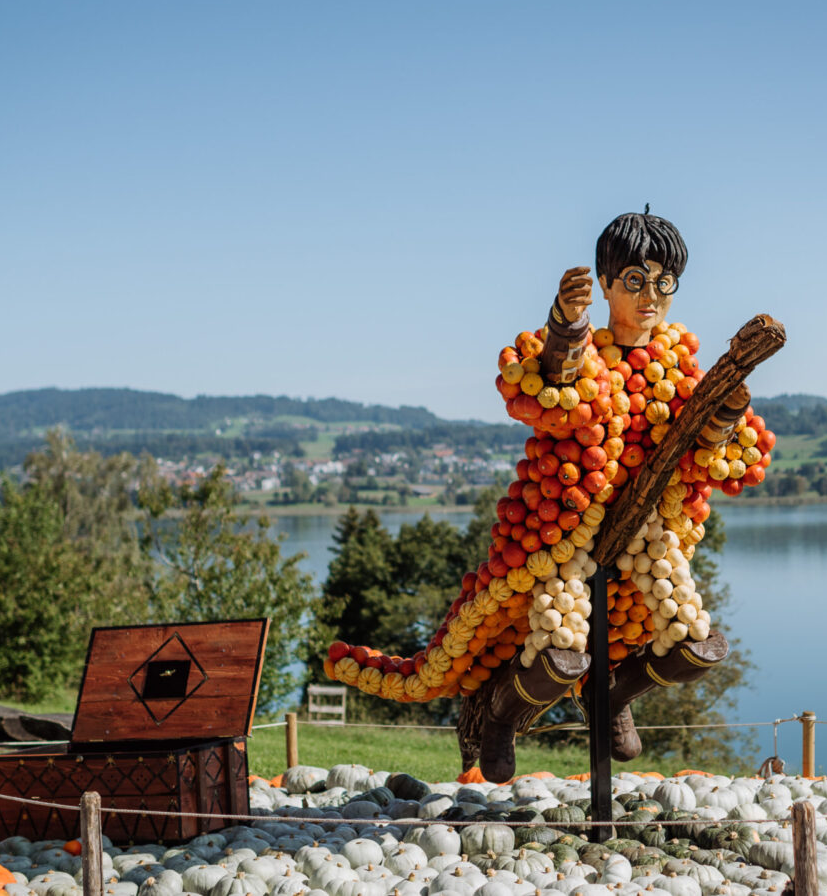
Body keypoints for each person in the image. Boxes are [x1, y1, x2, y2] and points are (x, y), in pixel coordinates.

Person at [323, 209, 774, 781]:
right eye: (635, 280)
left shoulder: (678, 365)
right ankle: (499, 718)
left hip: (647, 533)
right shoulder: (585, 353)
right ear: (607, 283)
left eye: (664, 283)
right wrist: (565, 324)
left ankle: (608, 696)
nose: (651, 296)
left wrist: (723, 418)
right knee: (560, 649)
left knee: (697, 645)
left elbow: (723, 454)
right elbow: (546, 386)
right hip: (564, 538)